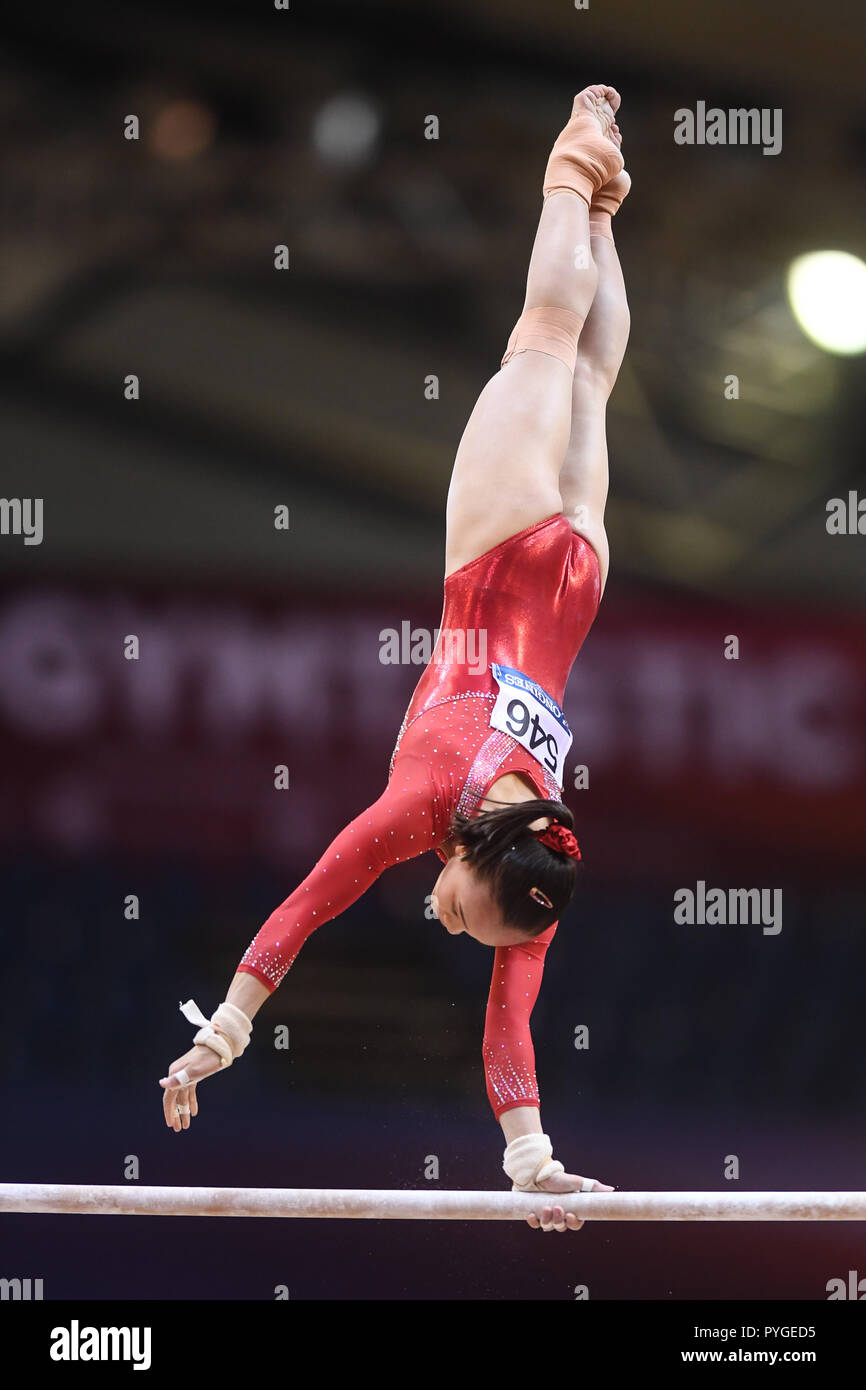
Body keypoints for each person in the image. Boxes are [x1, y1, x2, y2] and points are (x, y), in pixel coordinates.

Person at [160, 85, 632, 1235]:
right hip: (501, 550)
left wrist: (533, 1165)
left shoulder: (542, 860)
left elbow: (504, 1028)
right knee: (543, 340)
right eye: (474, 923)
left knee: (587, 376)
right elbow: (310, 901)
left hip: (575, 575)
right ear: (476, 868)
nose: (461, 930)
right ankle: (570, 169)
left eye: (478, 933)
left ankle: (604, 210)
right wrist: (220, 1032)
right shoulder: (432, 806)